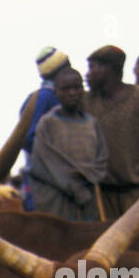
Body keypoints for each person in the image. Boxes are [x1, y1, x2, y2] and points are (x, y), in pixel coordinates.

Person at [84, 45, 139, 216]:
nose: (87, 74)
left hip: (137, 195)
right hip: (102, 196)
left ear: (108, 69)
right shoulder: (87, 101)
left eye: (92, 67)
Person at [28, 67, 109, 221]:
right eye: (66, 89)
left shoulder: (92, 124)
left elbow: (102, 160)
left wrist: (86, 175)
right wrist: (75, 187)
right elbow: (45, 162)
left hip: (89, 198)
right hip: (57, 199)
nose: (72, 93)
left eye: (77, 88)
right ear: (57, 92)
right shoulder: (47, 124)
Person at [20, 46, 69, 211]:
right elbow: (28, 138)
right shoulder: (44, 98)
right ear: (59, 71)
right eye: (67, 66)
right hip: (45, 183)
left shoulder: (59, 96)